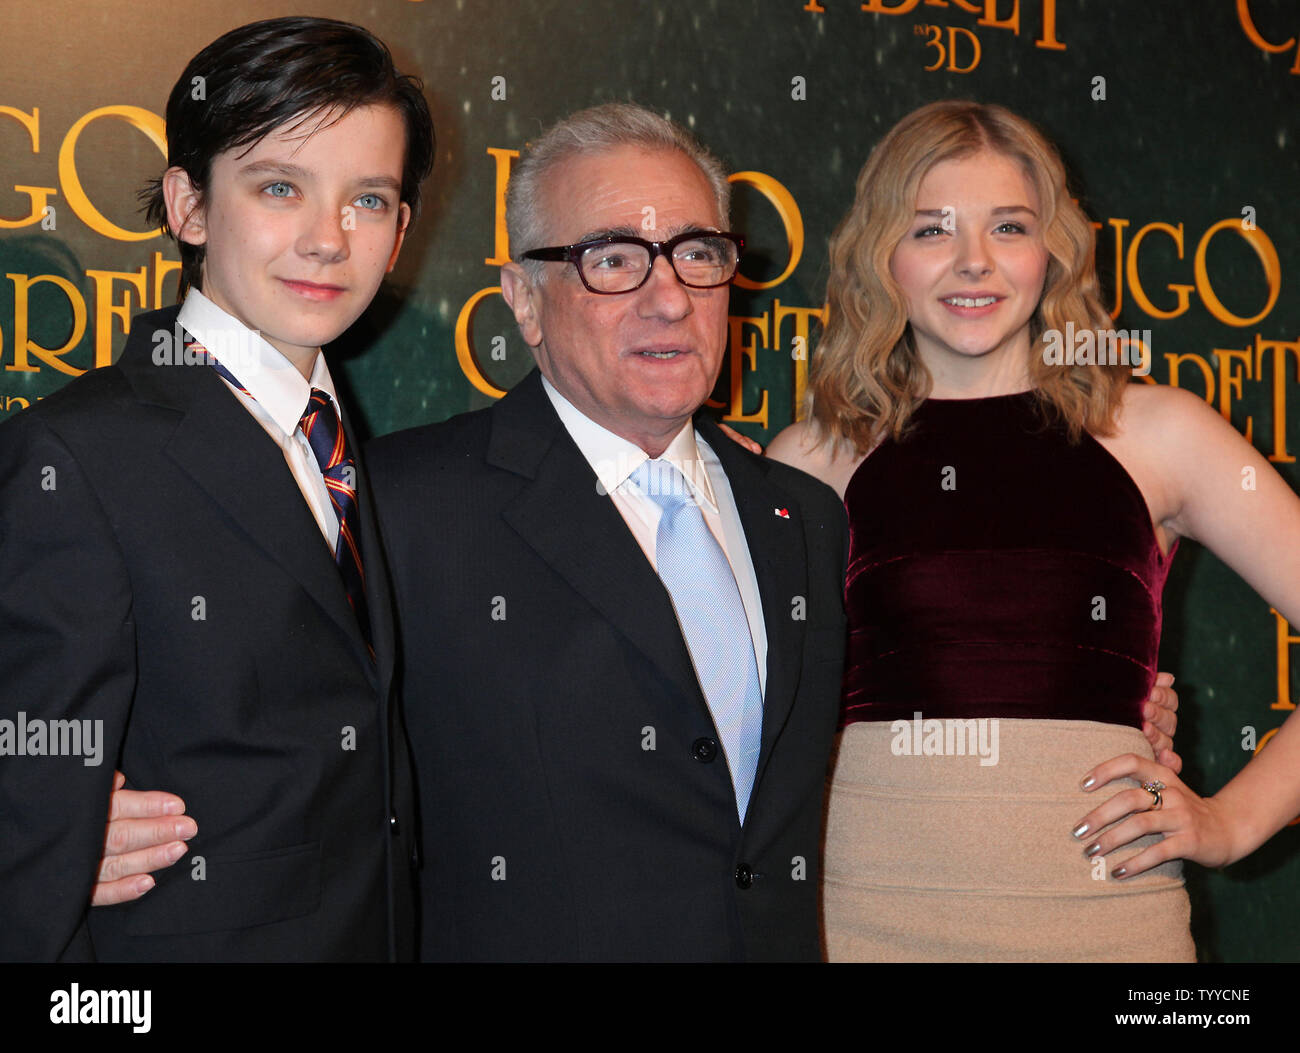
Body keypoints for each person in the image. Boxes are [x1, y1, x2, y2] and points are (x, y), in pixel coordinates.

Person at [768, 99, 1300, 961]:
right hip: (865, 919)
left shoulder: (1156, 432)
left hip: (1108, 924)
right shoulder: (814, 458)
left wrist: (1230, 823)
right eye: (932, 229)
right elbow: (757, 717)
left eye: (1008, 227)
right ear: (881, 254)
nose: (973, 262)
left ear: (1053, 250)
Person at [359, 102, 852, 961]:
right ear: (524, 301)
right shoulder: (405, 506)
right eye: (612, 259)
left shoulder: (804, 519)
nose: (669, 300)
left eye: (699, 255)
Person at [0, 16, 433, 961]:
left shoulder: (357, 452)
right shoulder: (77, 456)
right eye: (280, 186)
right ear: (189, 207)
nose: (327, 238)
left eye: (368, 199)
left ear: (400, 232)